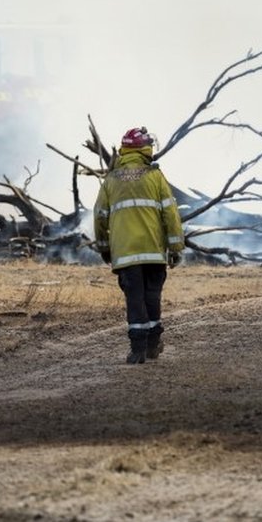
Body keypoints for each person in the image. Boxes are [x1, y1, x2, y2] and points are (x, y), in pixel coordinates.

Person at [94, 127, 185, 364]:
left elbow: (99, 215)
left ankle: (137, 350)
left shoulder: (111, 179)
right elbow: (171, 214)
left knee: (135, 299)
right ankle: (153, 344)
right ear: (144, 148)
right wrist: (176, 248)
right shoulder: (155, 176)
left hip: (125, 254)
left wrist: (104, 247)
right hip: (154, 253)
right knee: (152, 297)